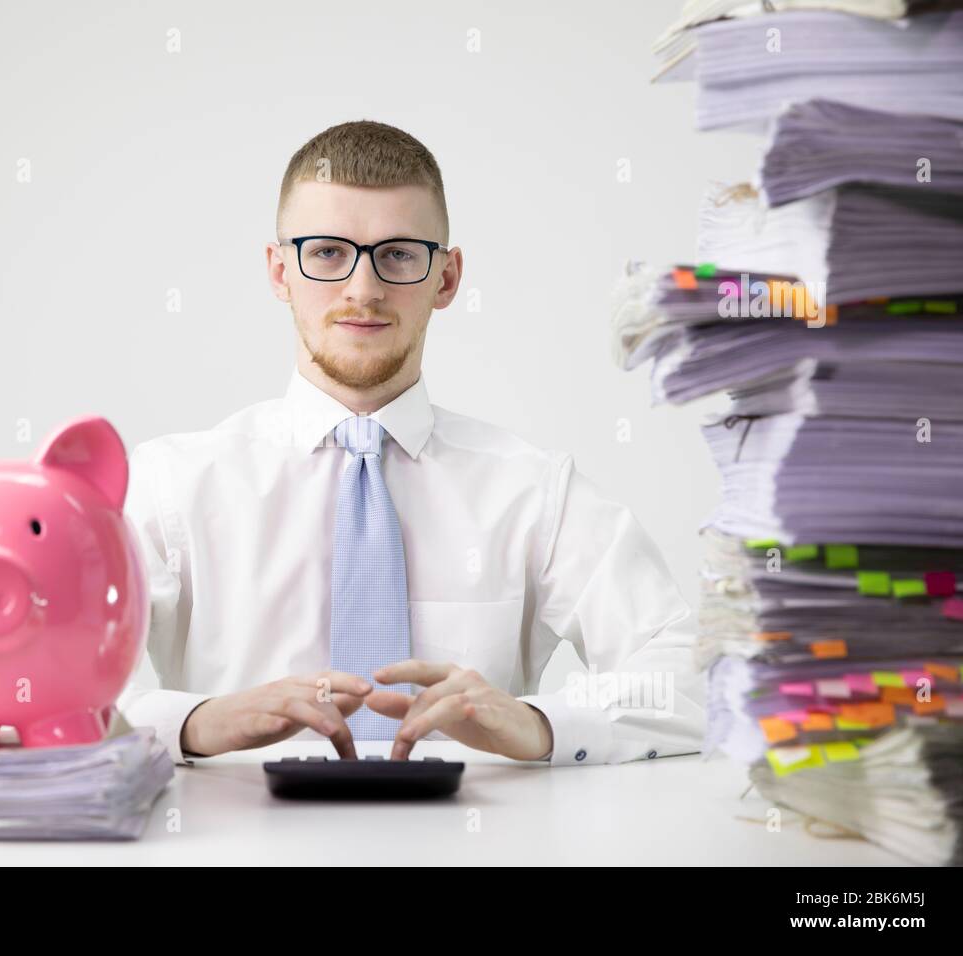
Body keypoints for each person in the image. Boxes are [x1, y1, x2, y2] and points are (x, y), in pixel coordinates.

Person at [118, 119, 704, 767]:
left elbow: (697, 675)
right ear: (279, 271)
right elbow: (56, 689)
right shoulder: (171, 485)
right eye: (327, 252)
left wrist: (541, 724)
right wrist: (196, 721)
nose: (362, 289)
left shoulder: (535, 491)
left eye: (398, 254)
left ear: (446, 279)